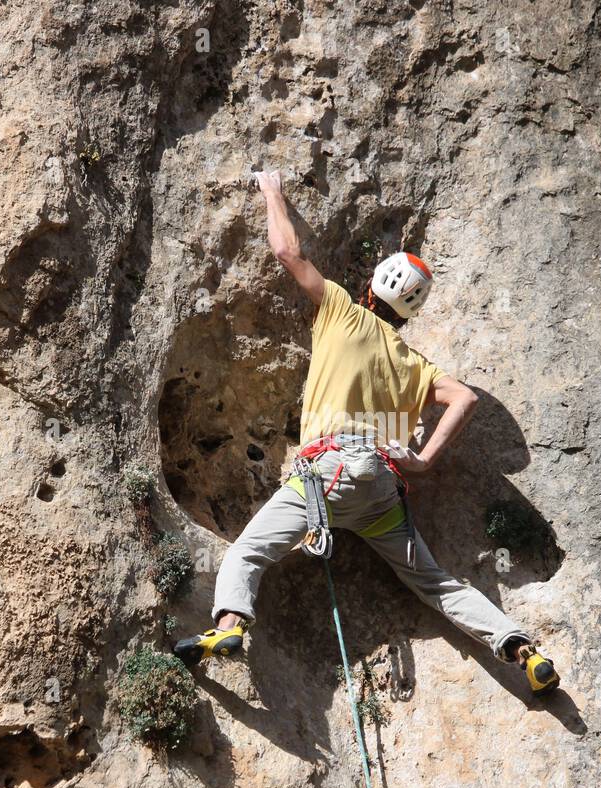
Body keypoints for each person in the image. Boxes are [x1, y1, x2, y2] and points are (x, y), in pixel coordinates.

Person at [174, 170, 559, 696]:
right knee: (437, 584)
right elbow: (464, 397)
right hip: (380, 485)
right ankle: (520, 647)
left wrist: (271, 191)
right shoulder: (412, 362)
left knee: (247, 553)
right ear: (410, 312)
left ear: (371, 287)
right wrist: (421, 461)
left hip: (326, 472)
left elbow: (287, 252)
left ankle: (231, 627)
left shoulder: (339, 310)